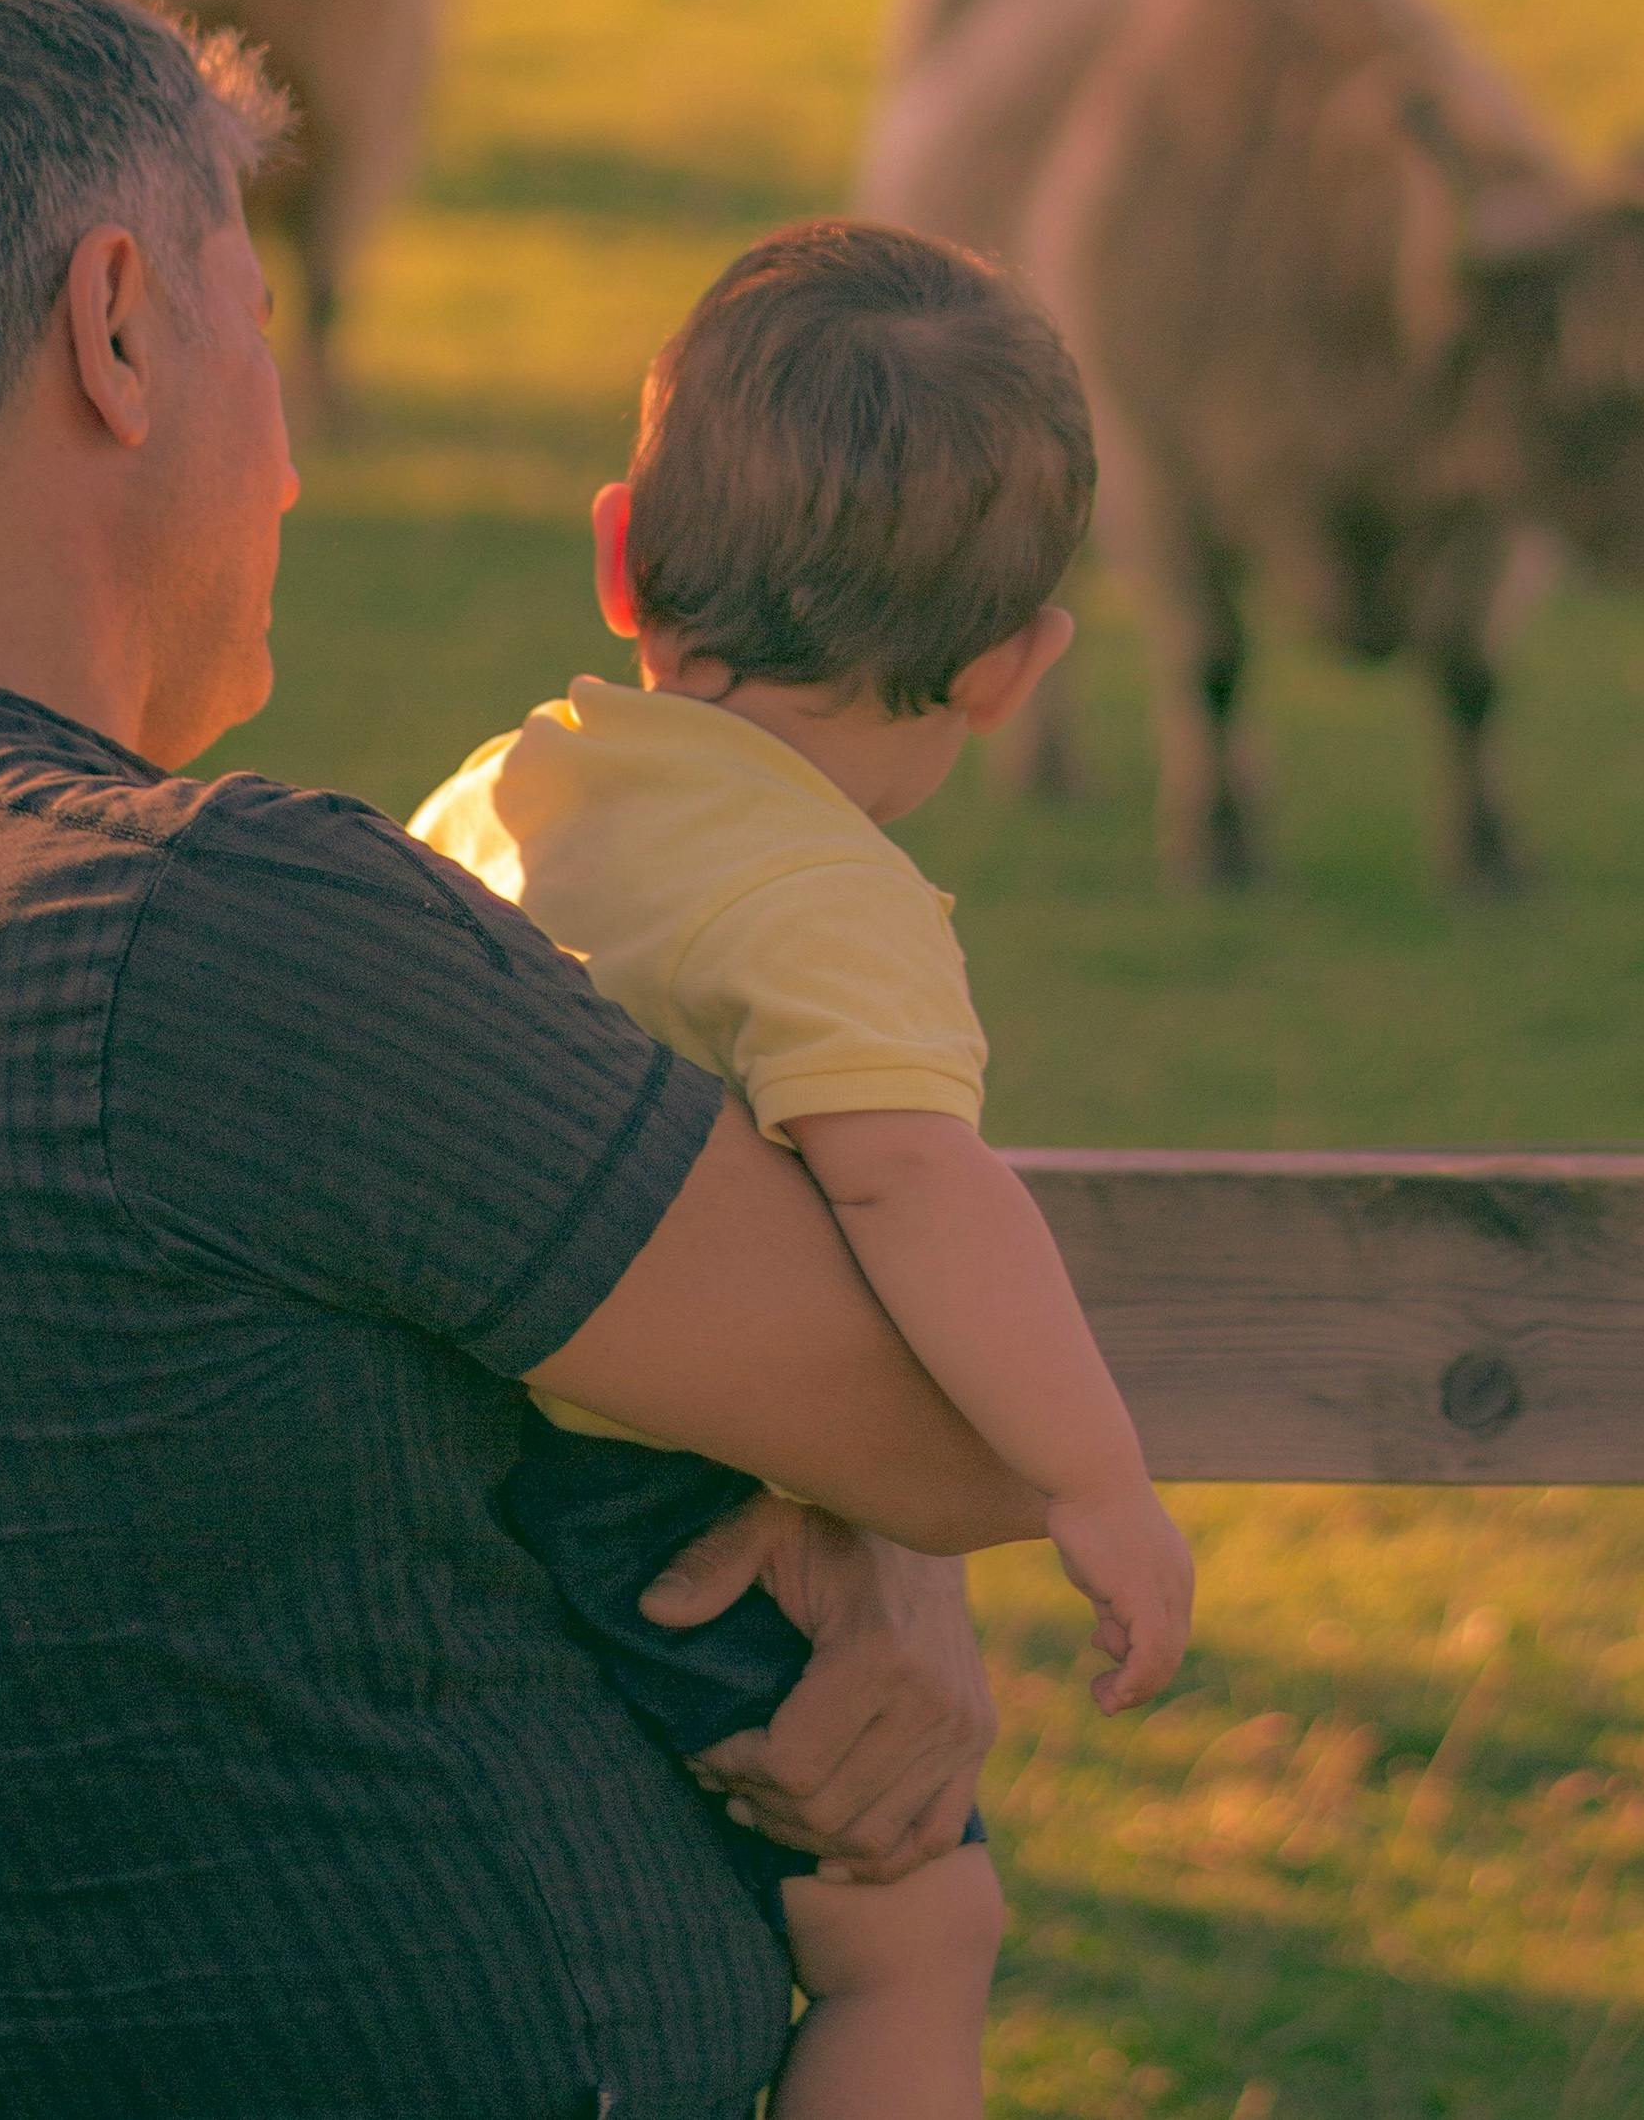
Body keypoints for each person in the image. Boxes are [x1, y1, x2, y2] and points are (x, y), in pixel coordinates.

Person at [0, 0, 1045, 2120]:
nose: (293, 469)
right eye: (257, 329)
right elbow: (968, 1434)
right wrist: (876, 1539)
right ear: (119, 330)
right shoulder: (183, 935)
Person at [416, 220, 1195, 2120]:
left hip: (448, 1452)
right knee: (917, 1938)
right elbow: (913, 1188)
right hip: (659, 1513)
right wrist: (1095, 1479)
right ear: (1013, 669)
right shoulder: (829, 898)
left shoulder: (500, 793)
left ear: (621, 555)